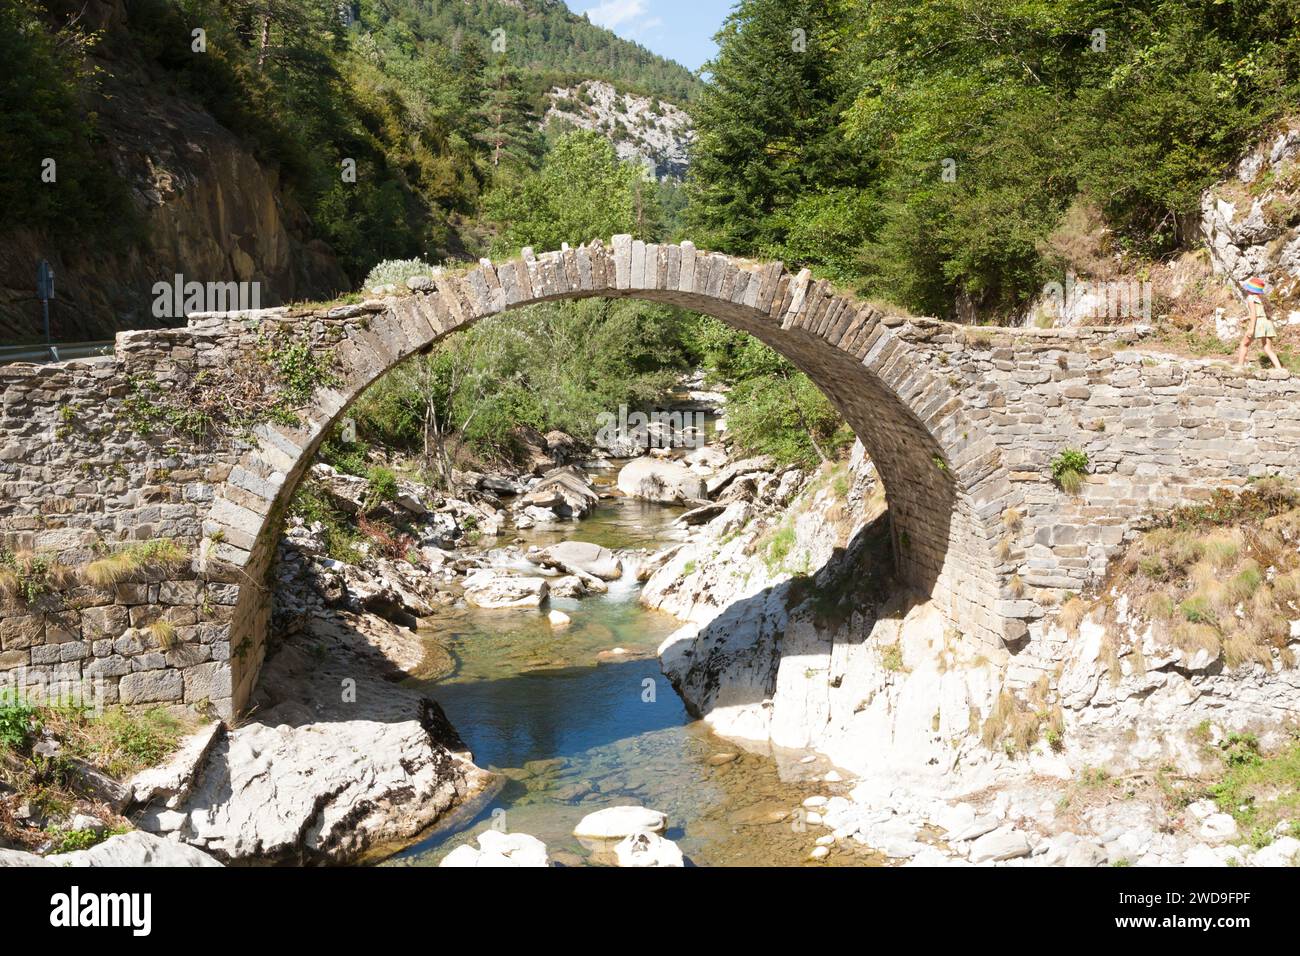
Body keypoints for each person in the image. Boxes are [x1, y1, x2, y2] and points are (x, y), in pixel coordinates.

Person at [1235, 275, 1284, 370]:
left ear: (1250, 289)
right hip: (1267, 323)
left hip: (1258, 324)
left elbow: (1254, 314)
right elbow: (1260, 313)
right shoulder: (1262, 298)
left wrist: (1251, 329)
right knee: (1268, 349)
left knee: (1244, 344)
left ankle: (1239, 368)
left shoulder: (1250, 298)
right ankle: (1279, 369)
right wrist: (1246, 317)